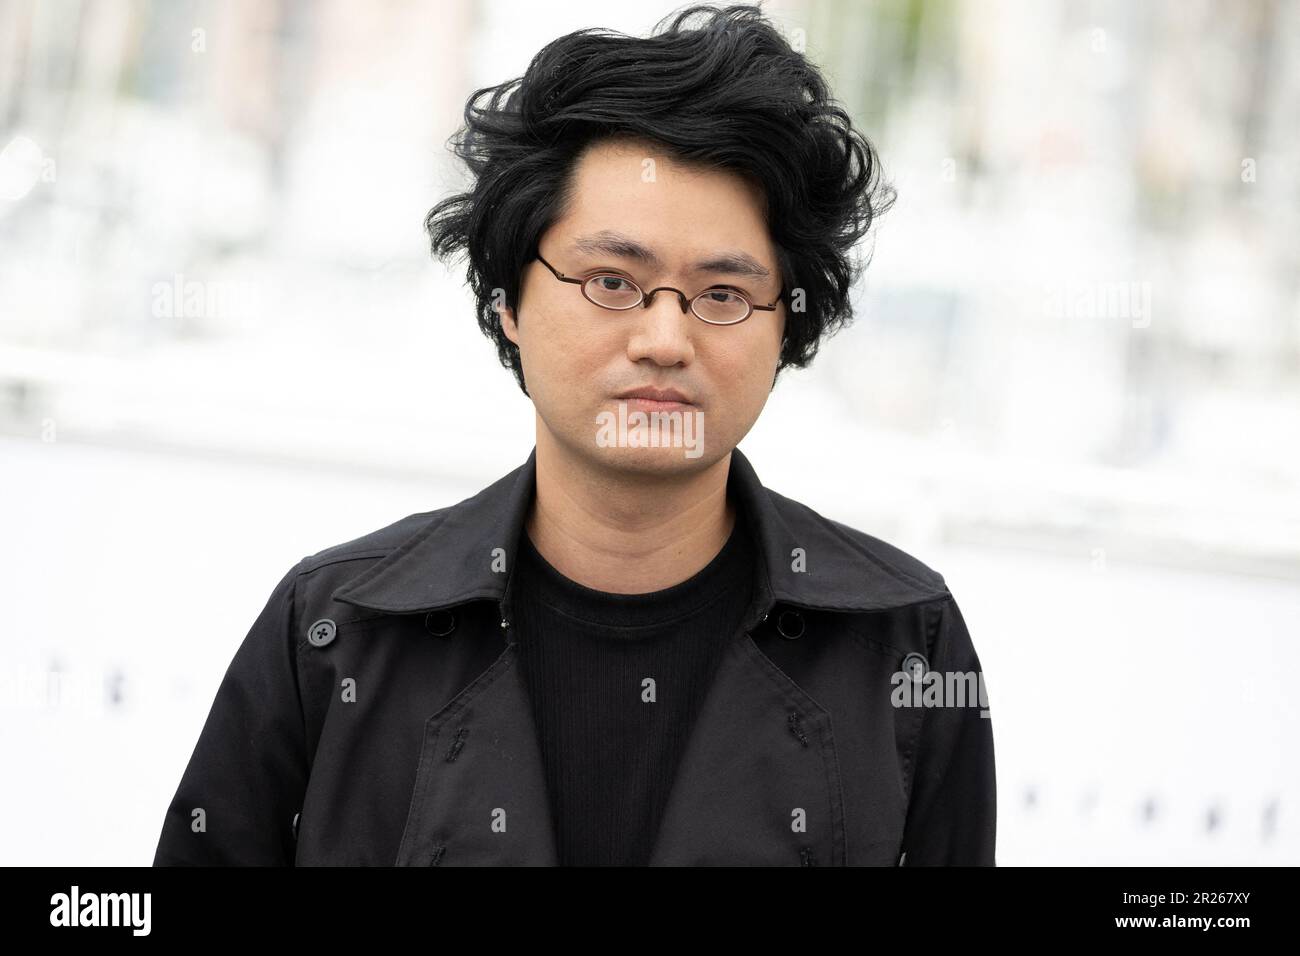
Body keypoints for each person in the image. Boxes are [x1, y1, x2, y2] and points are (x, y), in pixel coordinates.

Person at [153, 2, 995, 867]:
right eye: (612, 281)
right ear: (509, 302)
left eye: (723, 295)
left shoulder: (906, 643)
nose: (665, 341)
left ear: (787, 324)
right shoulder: (337, 627)